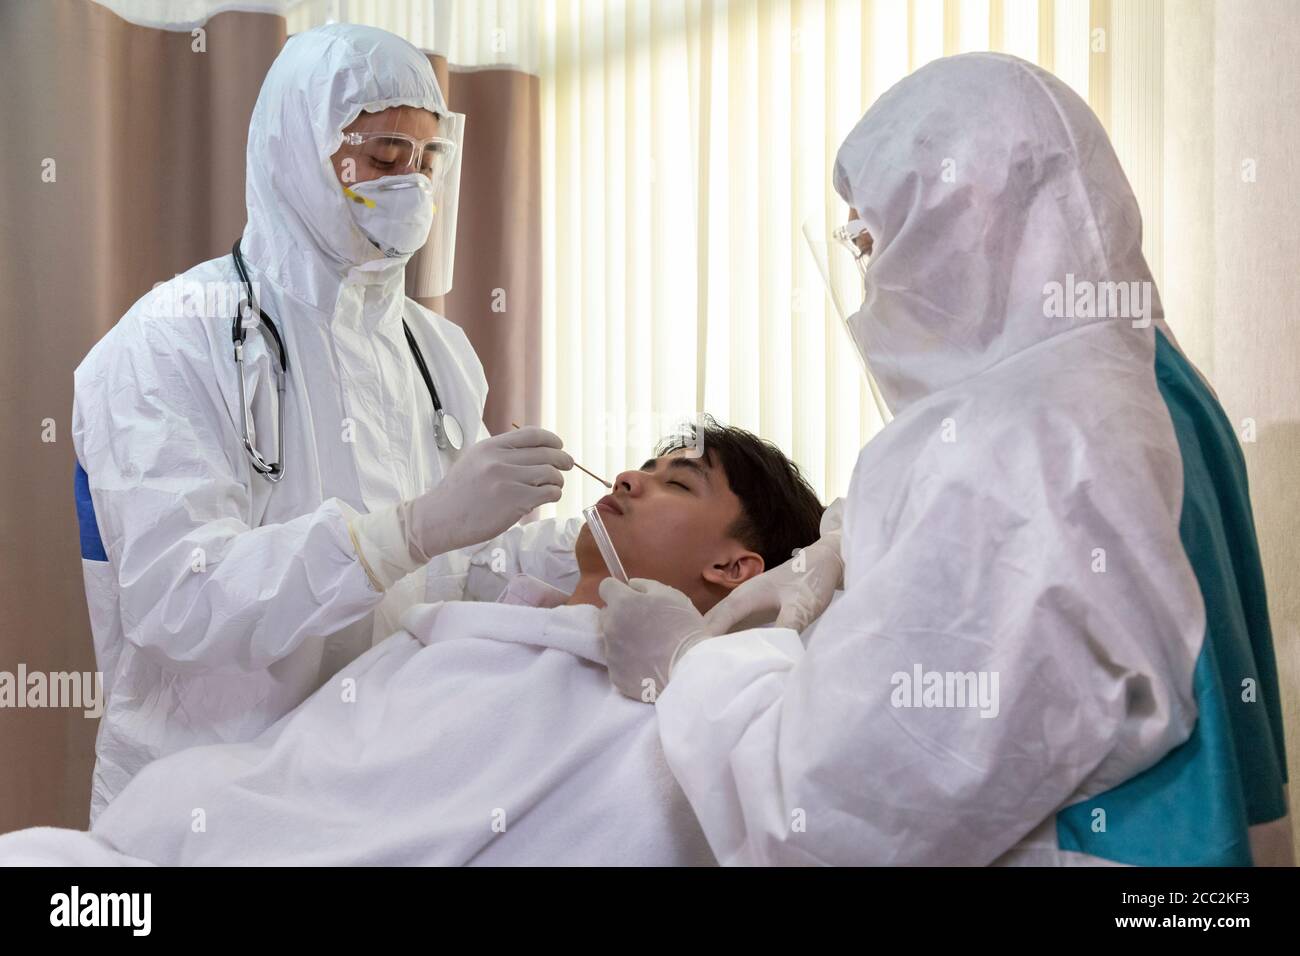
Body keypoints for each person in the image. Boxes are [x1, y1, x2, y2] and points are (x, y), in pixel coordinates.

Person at [598, 53, 1292, 866]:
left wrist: (693, 668)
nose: (871, 276)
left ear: (965, 215)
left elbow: (829, 815)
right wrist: (862, 545)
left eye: (872, 237)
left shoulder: (1019, 444)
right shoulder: (1149, 382)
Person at [72, 23, 575, 822]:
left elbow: (464, 572)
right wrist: (399, 533)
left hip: (381, 792)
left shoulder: (434, 351)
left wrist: (583, 553)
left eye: (426, 160)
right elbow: (180, 597)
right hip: (206, 803)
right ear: (301, 149)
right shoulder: (173, 335)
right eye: (382, 158)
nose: (408, 181)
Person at [6, 421, 824, 866]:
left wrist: (693, 665)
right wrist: (416, 529)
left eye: (676, 482)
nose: (627, 478)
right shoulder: (476, 623)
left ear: (733, 566)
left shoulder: (708, 698)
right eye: (642, 464)